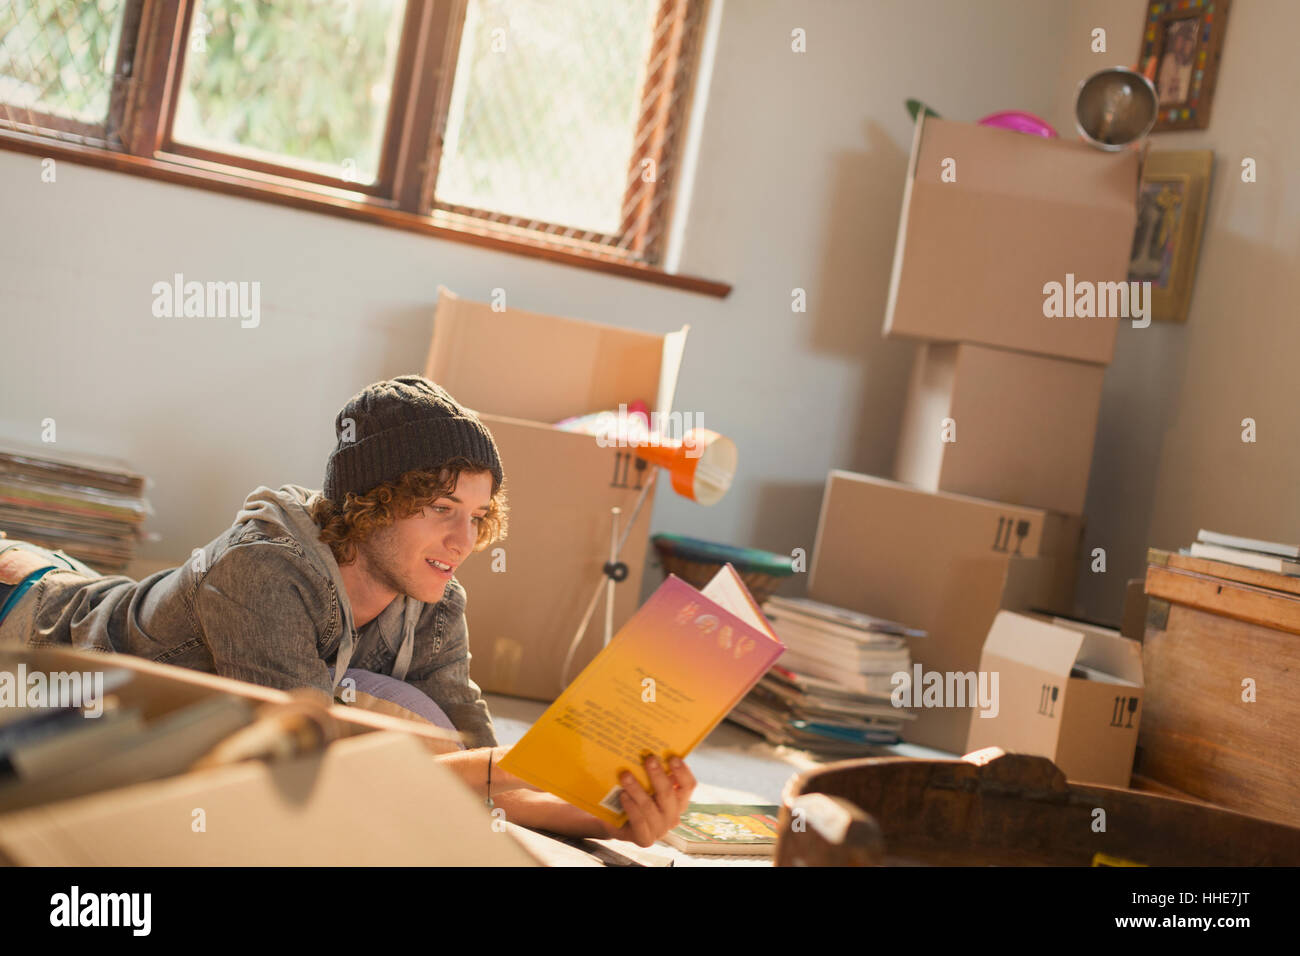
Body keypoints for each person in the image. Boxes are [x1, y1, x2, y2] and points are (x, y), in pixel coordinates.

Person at [0, 375, 695, 847]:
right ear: (374, 502)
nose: (465, 541)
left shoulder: (436, 601)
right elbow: (301, 776)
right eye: (441, 509)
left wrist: (607, 818)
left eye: (480, 516)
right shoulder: (261, 572)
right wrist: (508, 766)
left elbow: (476, 771)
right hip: (31, 618)